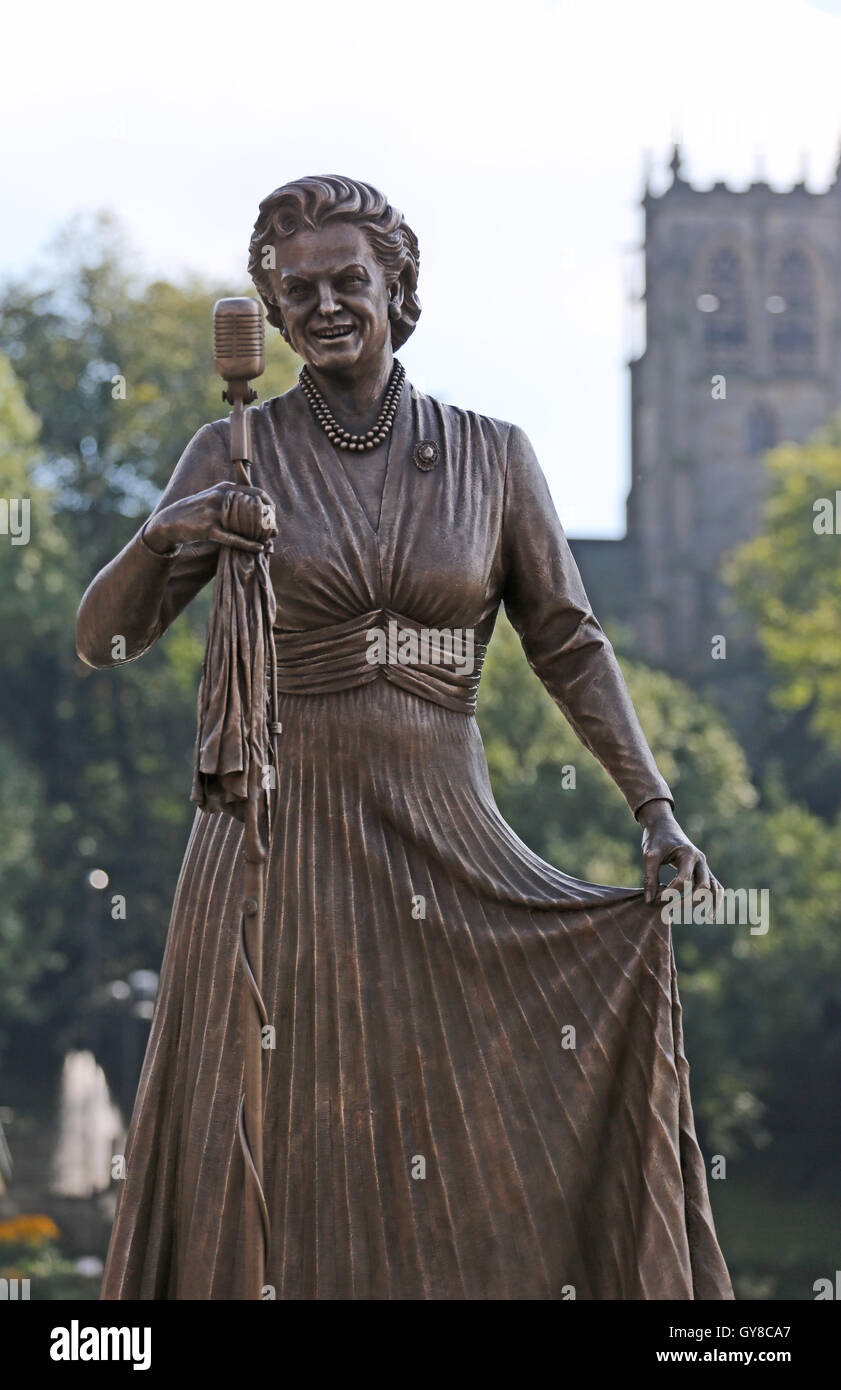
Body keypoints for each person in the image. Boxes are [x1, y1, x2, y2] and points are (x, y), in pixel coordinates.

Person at [78, 175, 733, 1300]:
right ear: (270, 315)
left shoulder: (493, 454)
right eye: (297, 291)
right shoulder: (228, 451)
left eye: (349, 281)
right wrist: (168, 530)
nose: (324, 305)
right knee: (279, 1127)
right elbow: (105, 638)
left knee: (460, 1132)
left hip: (447, 837)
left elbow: (568, 642)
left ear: (397, 289)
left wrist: (655, 806)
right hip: (274, 845)